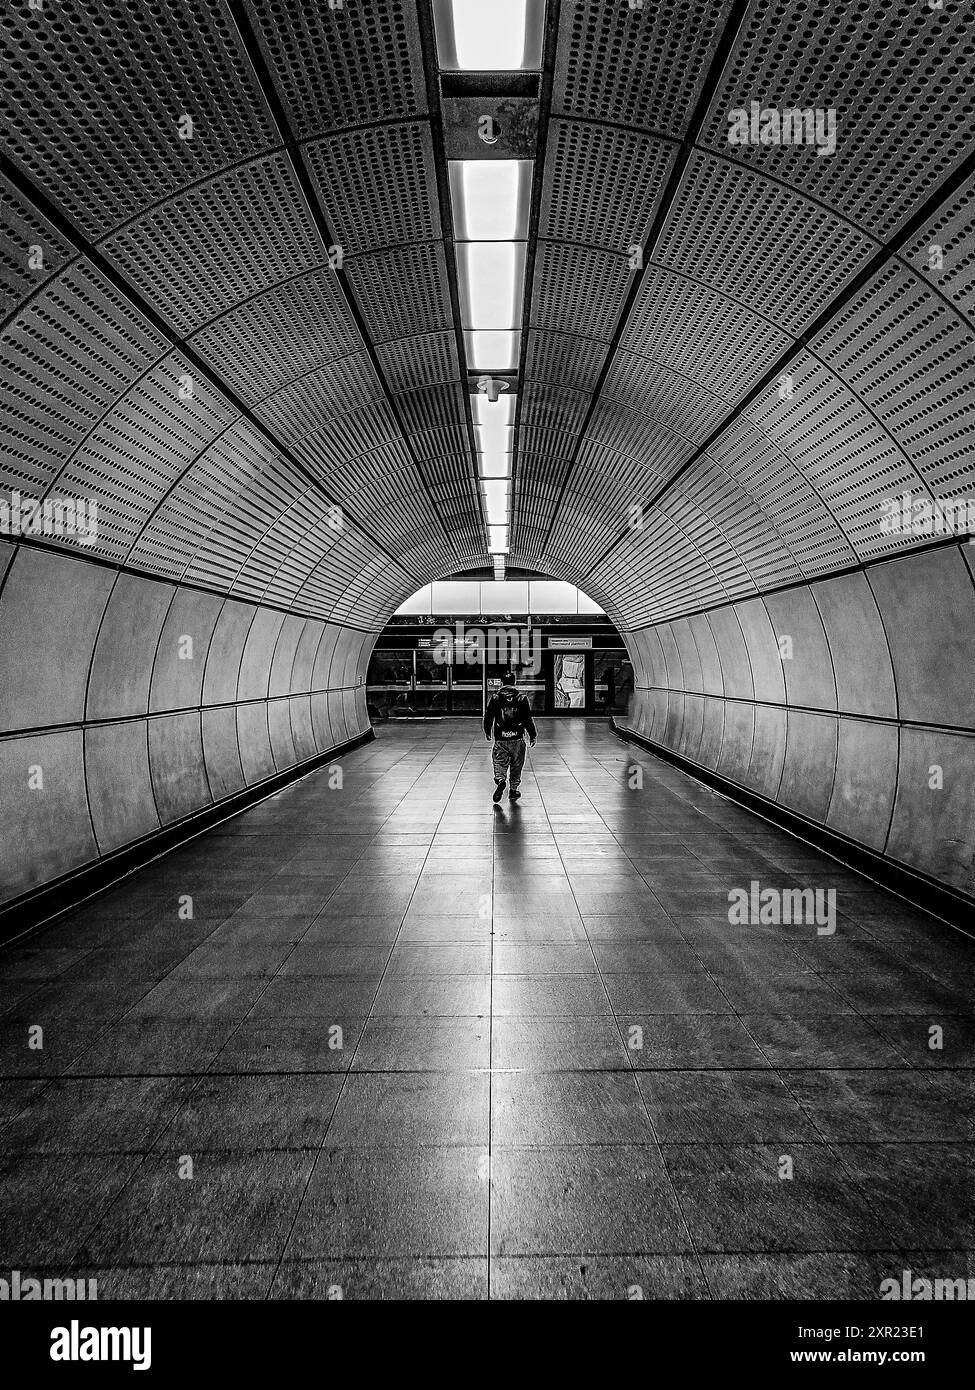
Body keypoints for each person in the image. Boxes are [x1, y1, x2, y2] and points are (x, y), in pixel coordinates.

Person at [484, 670, 537, 804]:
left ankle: (501, 780)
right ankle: (513, 790)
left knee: (499, 761)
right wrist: (532, 734)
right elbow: (527, 719)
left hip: (501, 738)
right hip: (517, 738)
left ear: (502, 683)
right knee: (516, 764)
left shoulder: (496, 698)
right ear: (515, 683)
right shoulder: (521, 698)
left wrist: (487, 730)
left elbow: (489, 716)